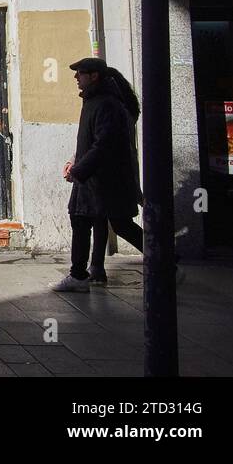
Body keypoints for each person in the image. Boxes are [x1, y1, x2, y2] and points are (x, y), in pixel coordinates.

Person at [52, 57, 145, 292]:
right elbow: (90, 139)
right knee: (83, 219)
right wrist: (74, 161)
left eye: (80, 73)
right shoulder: (94, 101)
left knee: (119, 223)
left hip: (103, 178)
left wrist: (80, 170)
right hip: (94, 176)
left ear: (94, 76)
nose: (76, 77)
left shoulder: (106, 104)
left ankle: (165, 259)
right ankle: (81, 274)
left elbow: (104, 144)